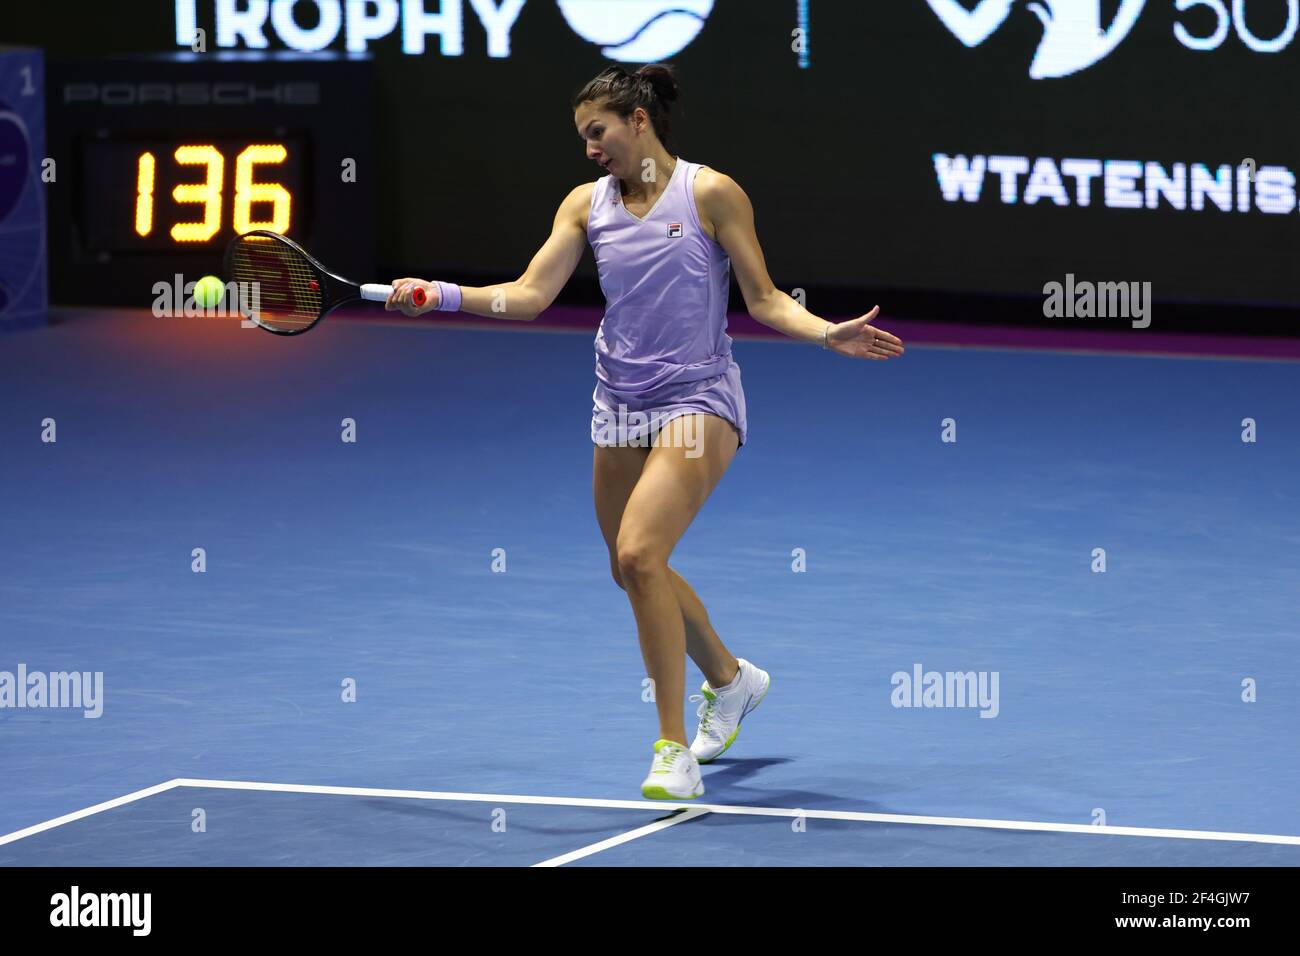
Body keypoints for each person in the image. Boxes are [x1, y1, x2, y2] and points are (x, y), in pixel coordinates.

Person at [386, 63, 904, 800]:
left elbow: (762, 300)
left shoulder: (711, 193)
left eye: (597, 132)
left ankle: (671, 752)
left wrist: (827, 333)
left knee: (639, 551)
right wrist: (439, 295)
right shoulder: (584, 205)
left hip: (697, 396)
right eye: (582, 137)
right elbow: (531, 295)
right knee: (629, 567)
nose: (590, 149)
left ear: (637, 119)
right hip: (618, 401)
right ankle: (731, 681)